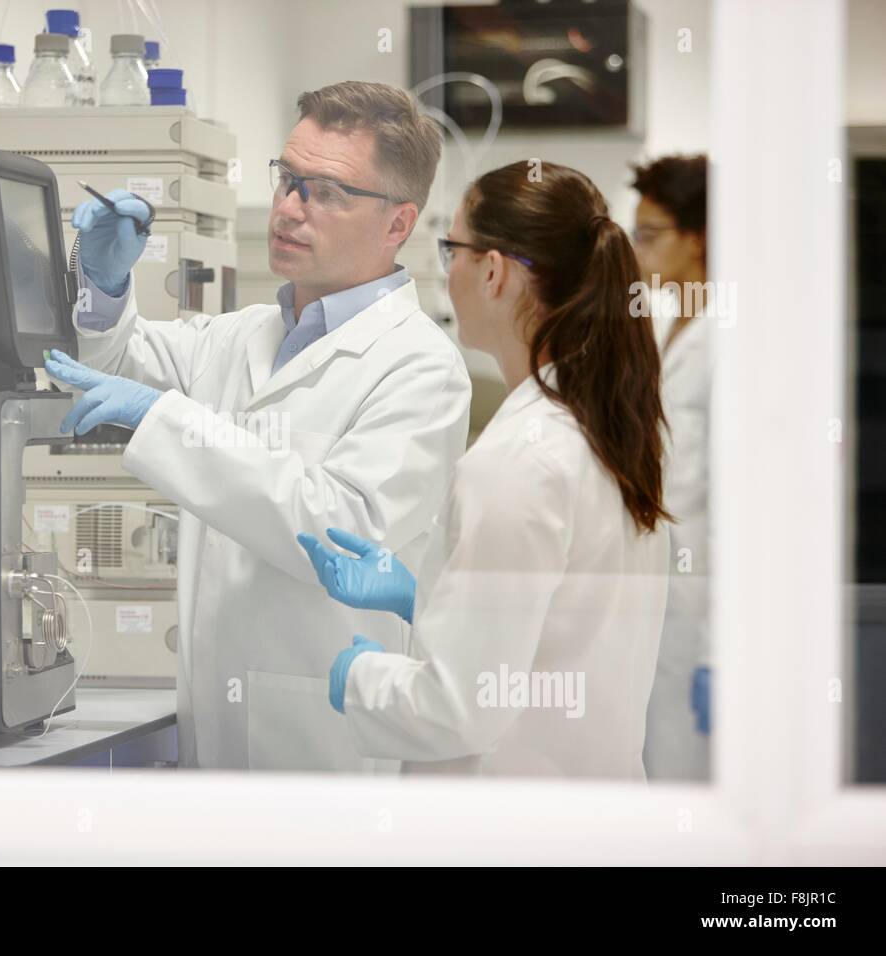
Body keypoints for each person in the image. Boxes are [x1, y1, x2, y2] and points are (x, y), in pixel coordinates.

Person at [43, 81, 472, 771]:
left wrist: (164, 418)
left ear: (399, 224)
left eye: (326, 192)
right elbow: (109, 364)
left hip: (322, 750)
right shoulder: (244, 335)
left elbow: (341, 527)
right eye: (287, 179)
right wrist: (103, 284)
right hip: (213, 728)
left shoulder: (421, 368)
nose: (289, 208)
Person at [298, 161, 671, 778]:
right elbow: (553, 624)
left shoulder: (519, 460)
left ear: (493, 270)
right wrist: (426, 598)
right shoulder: (605, 429)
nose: (447, 273)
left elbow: (459, 707)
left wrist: (360, 677)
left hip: (511, 820)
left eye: (453, 250)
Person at [631, 154, 712, 781]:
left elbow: (744, 511)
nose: (638, 248)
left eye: (651, 234)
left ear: (700, 239)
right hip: (658, 598)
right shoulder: (662, 326)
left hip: (703, 608)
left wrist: (722, 650)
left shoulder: (731, 343)